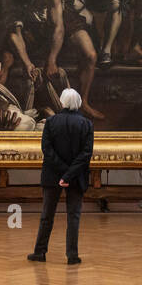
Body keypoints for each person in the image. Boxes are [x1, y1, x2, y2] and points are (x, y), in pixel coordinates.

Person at [28, 88, 94, 264]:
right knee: (74, 217)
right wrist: (69, 174)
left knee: (47, 216)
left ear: (62, 102)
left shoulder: (51, 122)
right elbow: (86, 154)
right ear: (78, 103)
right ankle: (72, 255)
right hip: (75, 177)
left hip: (52, 176)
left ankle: (39, 253)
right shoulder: (86, 124)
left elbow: (47, 150)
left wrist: (62, 172)